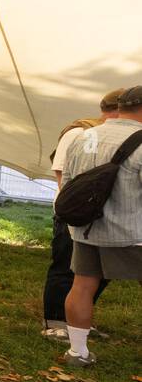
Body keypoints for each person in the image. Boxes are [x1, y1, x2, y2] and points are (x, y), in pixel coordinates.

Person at [60, 84, 142, 367]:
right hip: (133, 232)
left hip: (87, 228)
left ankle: (77, 352)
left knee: (82, 286)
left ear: (120, 107)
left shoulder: (85, 136)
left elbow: (68, 182)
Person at [41, 88, 121, 339]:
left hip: (103, 215)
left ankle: (76, 322)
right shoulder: (80, 131)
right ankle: (55, 323)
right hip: (75, 213)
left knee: (98, 271)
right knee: (66, 267)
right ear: (117, 111)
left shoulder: (120, 136)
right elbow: (62, 175)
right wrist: (77, 209)